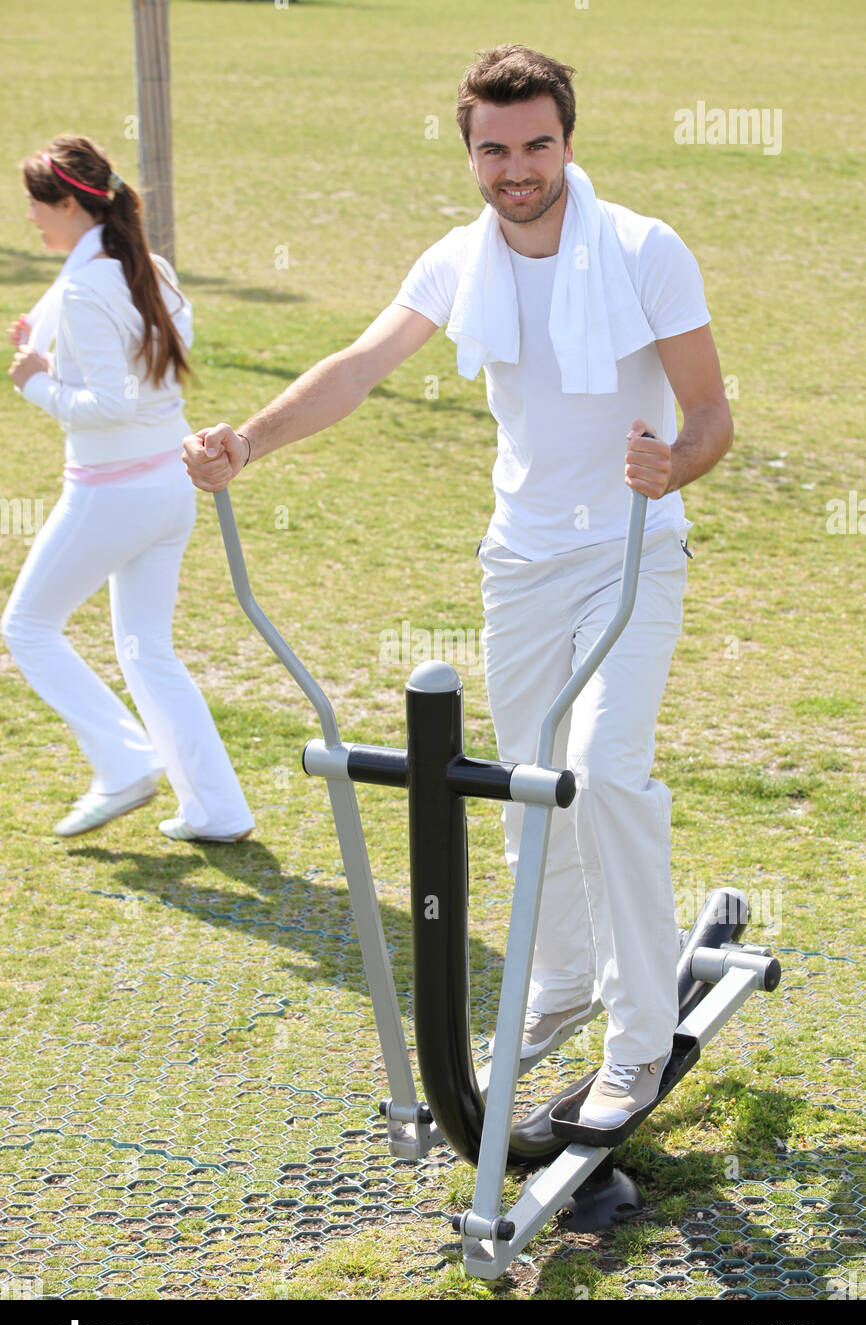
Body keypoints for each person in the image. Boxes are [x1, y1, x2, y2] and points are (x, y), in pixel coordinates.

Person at [182, 46, 733, 1126]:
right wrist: (244, 442)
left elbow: (708, 411)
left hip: (629, 549)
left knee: (606, 776)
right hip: (518, 562)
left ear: (567, 142)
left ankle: (636, 1038)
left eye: (535, 144)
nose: (514, 167)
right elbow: (356, 365)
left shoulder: (641, 250)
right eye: (494, 148)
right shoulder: (456, 258)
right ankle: (557, 987)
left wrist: (674, 463)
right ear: (469, 151)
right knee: (532, 791)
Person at [4, 133, 254, 843]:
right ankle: (218, 809)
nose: (30, 218)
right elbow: (145, 373)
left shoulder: (87, 287)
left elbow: (108, 404)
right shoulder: (149, 268)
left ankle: (123, 761)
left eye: (35, 204)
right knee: (147, 649)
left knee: (25, 628)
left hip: (111, 491)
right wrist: (53, 351)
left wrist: (37, 383)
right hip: (167, 488)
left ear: (68, 205)